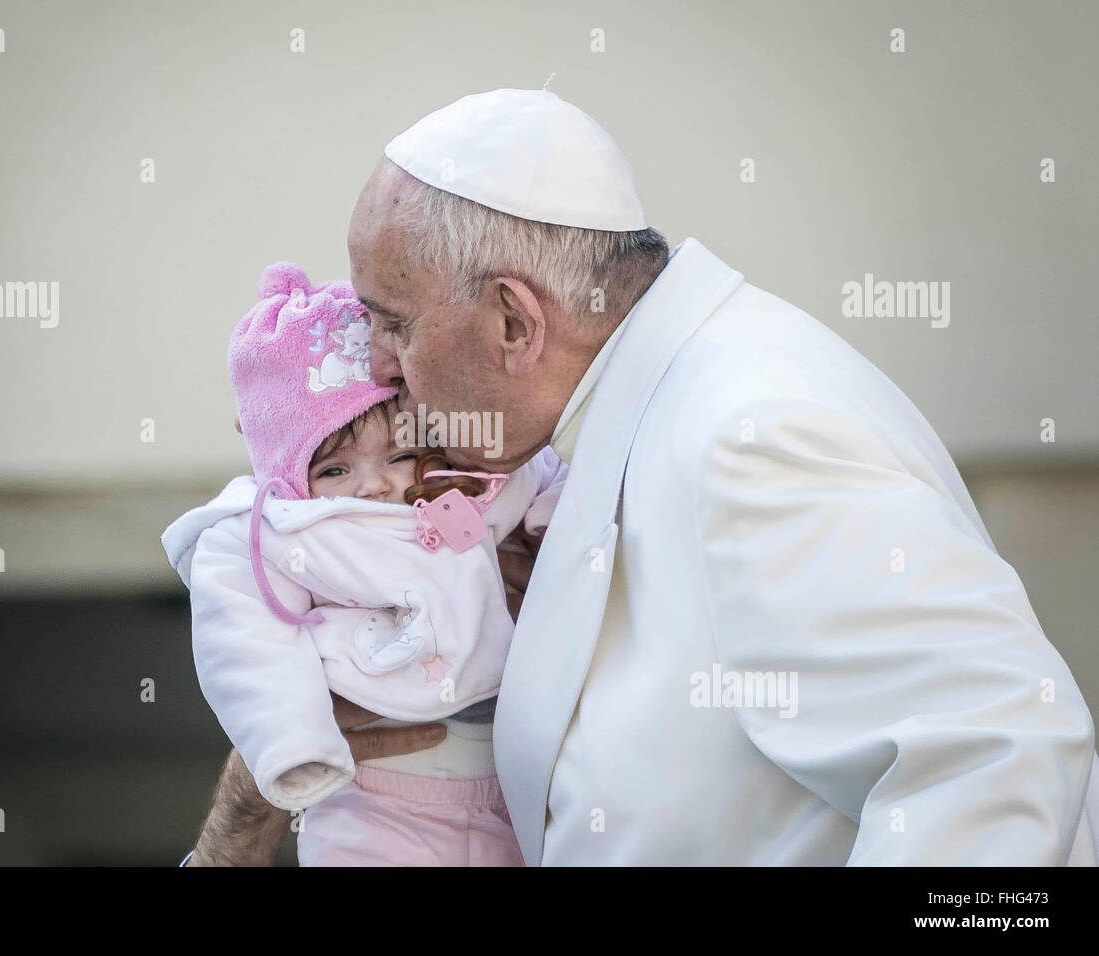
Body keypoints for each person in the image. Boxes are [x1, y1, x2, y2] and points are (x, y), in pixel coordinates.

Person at [188, 87, 1099, 865]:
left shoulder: (752, 428)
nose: (379, 369)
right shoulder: (622, 422)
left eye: (393, 323)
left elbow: (997, 757)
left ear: (514, 321)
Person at [163, 261, 565, 865]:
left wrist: (564, 537)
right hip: (373, 798)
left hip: (512, 785)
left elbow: (545, 475)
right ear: (289, 477)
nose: (374, 486)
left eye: (401, 452)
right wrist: (290, 746)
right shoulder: (279, 533)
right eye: (333, 470)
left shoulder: (459, 486)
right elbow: (248, 644)